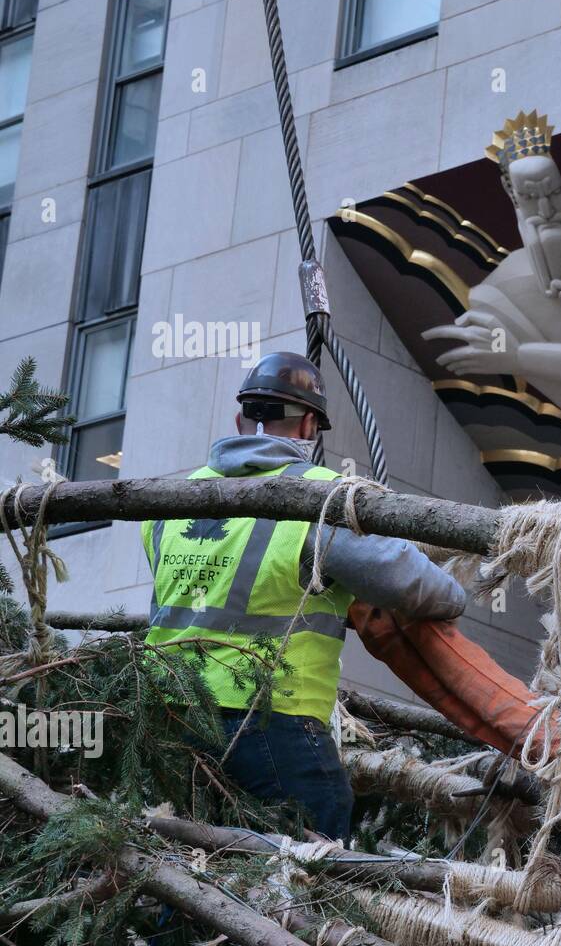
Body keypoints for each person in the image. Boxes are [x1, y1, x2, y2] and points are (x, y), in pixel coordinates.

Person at [141, 352, 466, 839]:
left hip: (167, 715)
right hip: (271, 718)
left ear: (241, 419)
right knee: (312, 857)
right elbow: (408, 582)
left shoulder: (171, 499)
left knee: (190, 856)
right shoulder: (319, 496)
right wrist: (457, 598)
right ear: (311, 424)